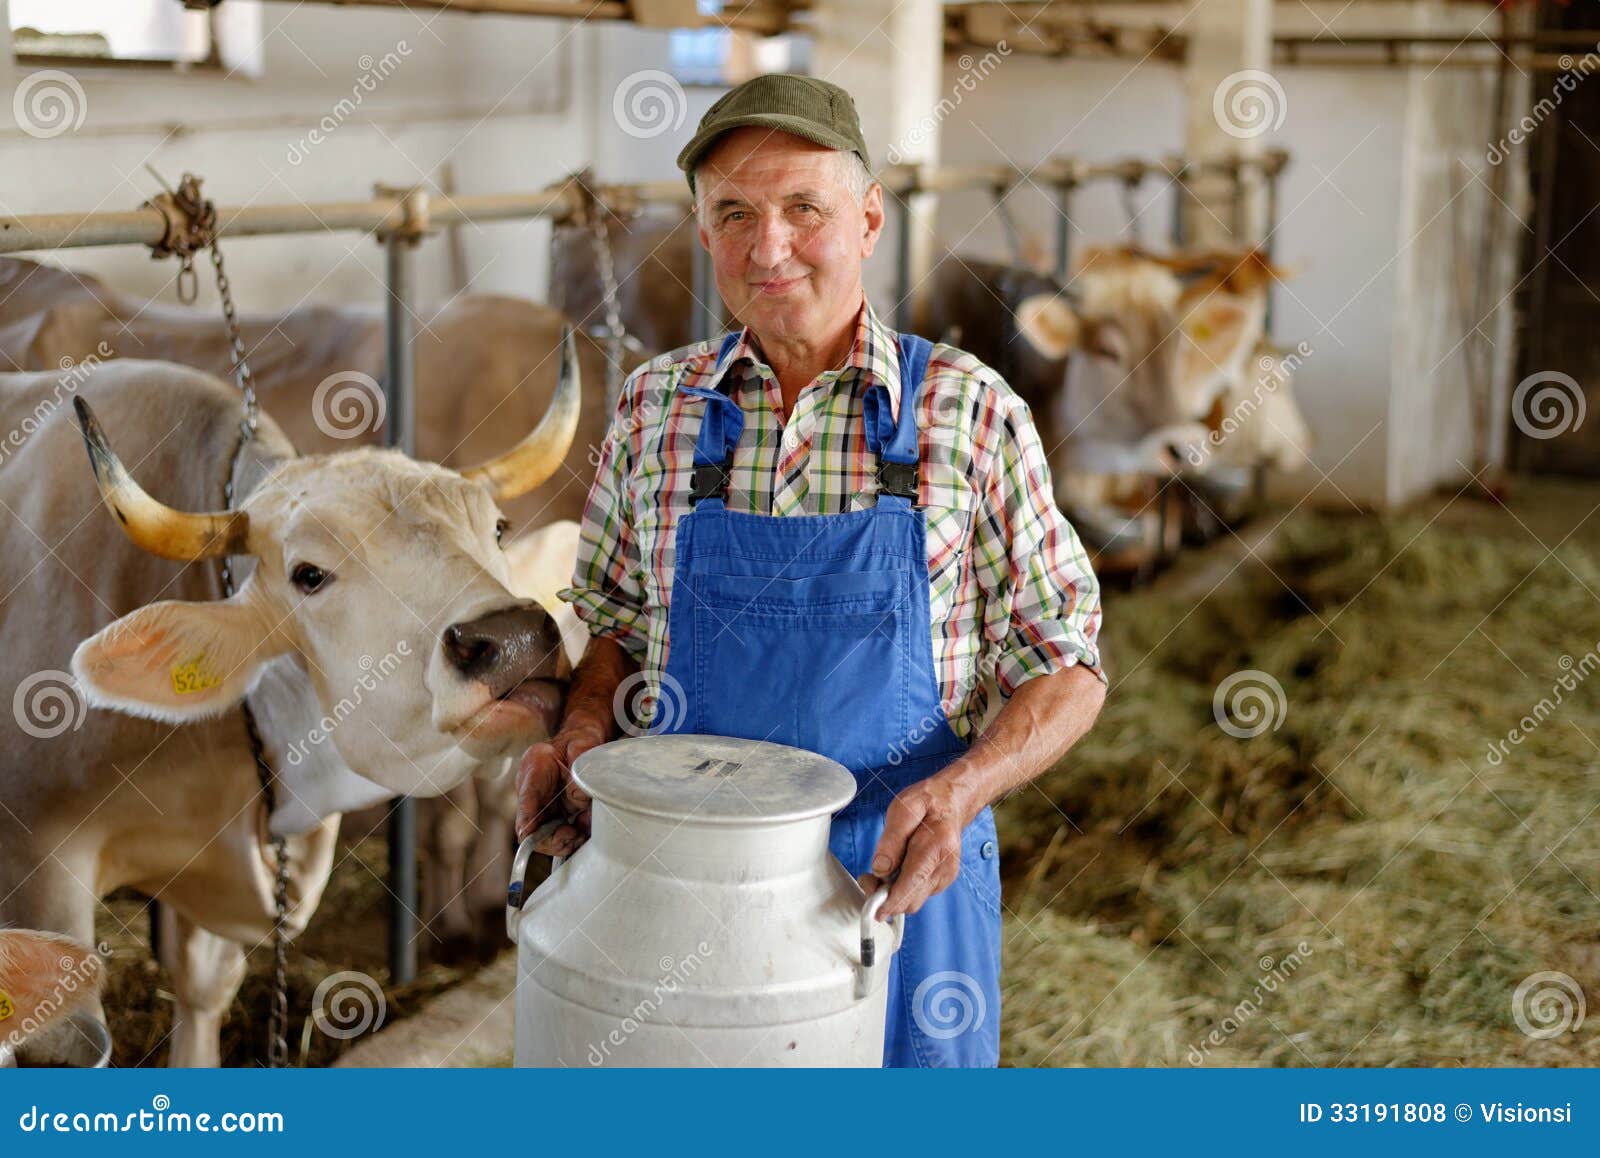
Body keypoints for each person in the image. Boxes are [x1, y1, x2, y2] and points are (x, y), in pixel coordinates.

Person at [516, 73, 1107, 1067]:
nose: (769, 246)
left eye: (804, 209)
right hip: (678, 892)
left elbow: (1067, 661)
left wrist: (962, 792)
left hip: (899, 887)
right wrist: (578, 734)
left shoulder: (966, 411)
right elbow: (614, 624)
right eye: (734, 214)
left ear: (869, 218)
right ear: (704, 235)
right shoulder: (654, 409)